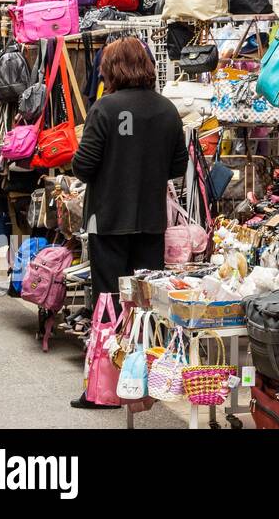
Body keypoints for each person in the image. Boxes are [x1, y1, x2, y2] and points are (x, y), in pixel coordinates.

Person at [70, 37, 187, 410]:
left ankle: (106, 389)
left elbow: (84, 166)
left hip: (107, 220)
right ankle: (145, 387)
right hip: (150, 222)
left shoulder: (104, 109)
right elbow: (177, 168)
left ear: (111, 69)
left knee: (108, 302)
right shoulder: (167, 111)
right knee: (144, 305)